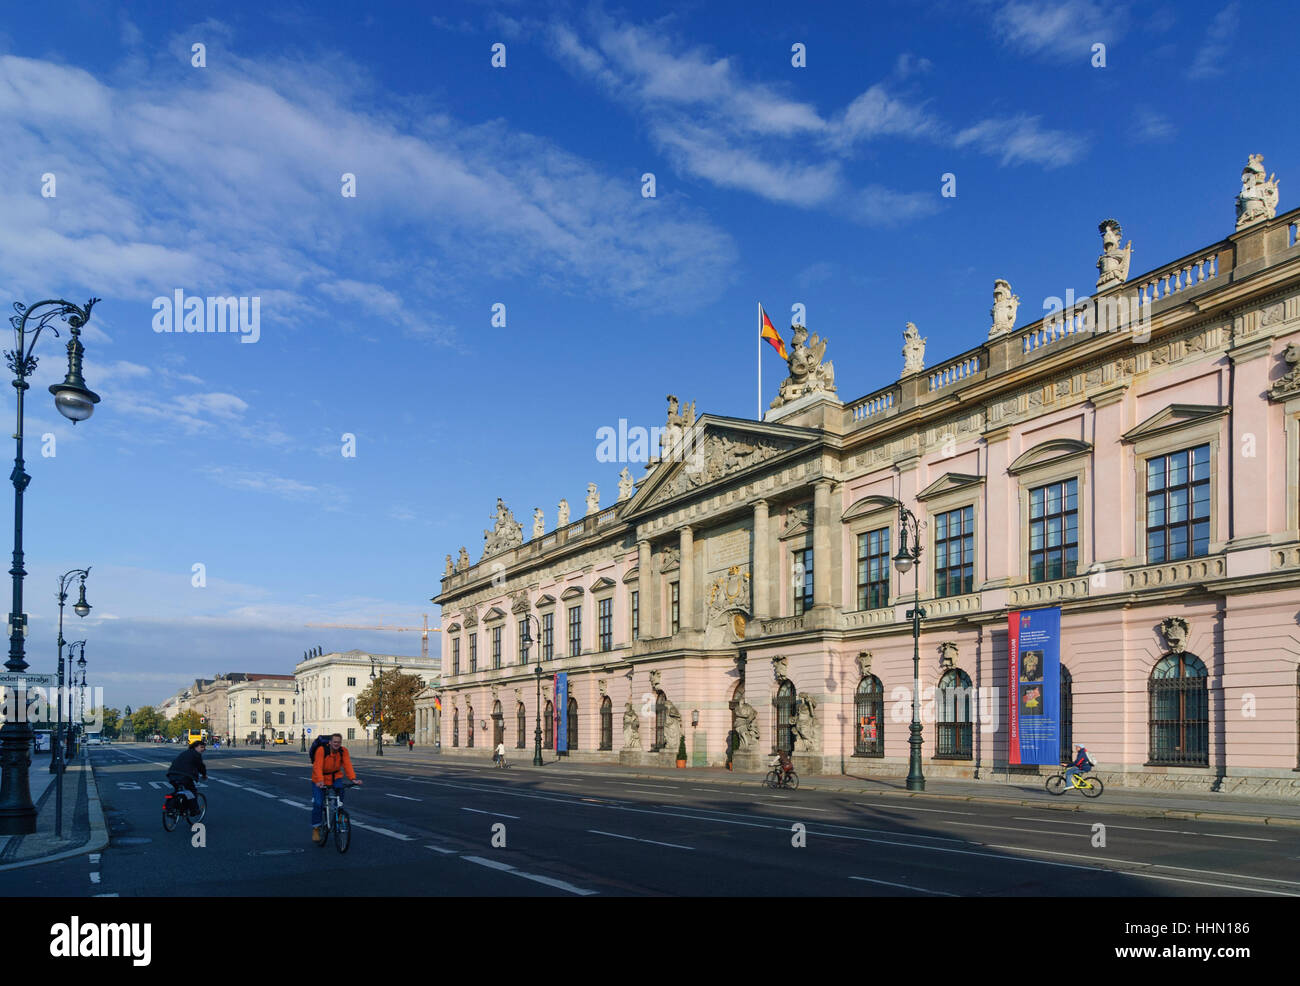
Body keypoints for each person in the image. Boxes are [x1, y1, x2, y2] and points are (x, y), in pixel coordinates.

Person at [311, 733, 362, 843]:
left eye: (339, 742)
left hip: (335, 777)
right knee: (318, 803)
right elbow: (317, 766)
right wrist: (320, 780)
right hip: (319, 778)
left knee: (341, 791)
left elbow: (347, 765)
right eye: (335, 742)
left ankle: (339, 813)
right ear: (330, 742)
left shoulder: (343, 751)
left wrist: (353, 779)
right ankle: (316, 828)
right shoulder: (321, 750)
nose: (337, 744)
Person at [166, 739, 208, 814]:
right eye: (201, 747)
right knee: (192, 791)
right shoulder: (196, 754)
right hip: (184, 776)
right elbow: (201, 766)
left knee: (178, 791)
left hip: (172, 774)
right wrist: (204, 775)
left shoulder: (185, 753)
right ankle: (194, 810)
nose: (203, 749)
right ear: (195, 747)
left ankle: (173, 808)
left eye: (204, 747)